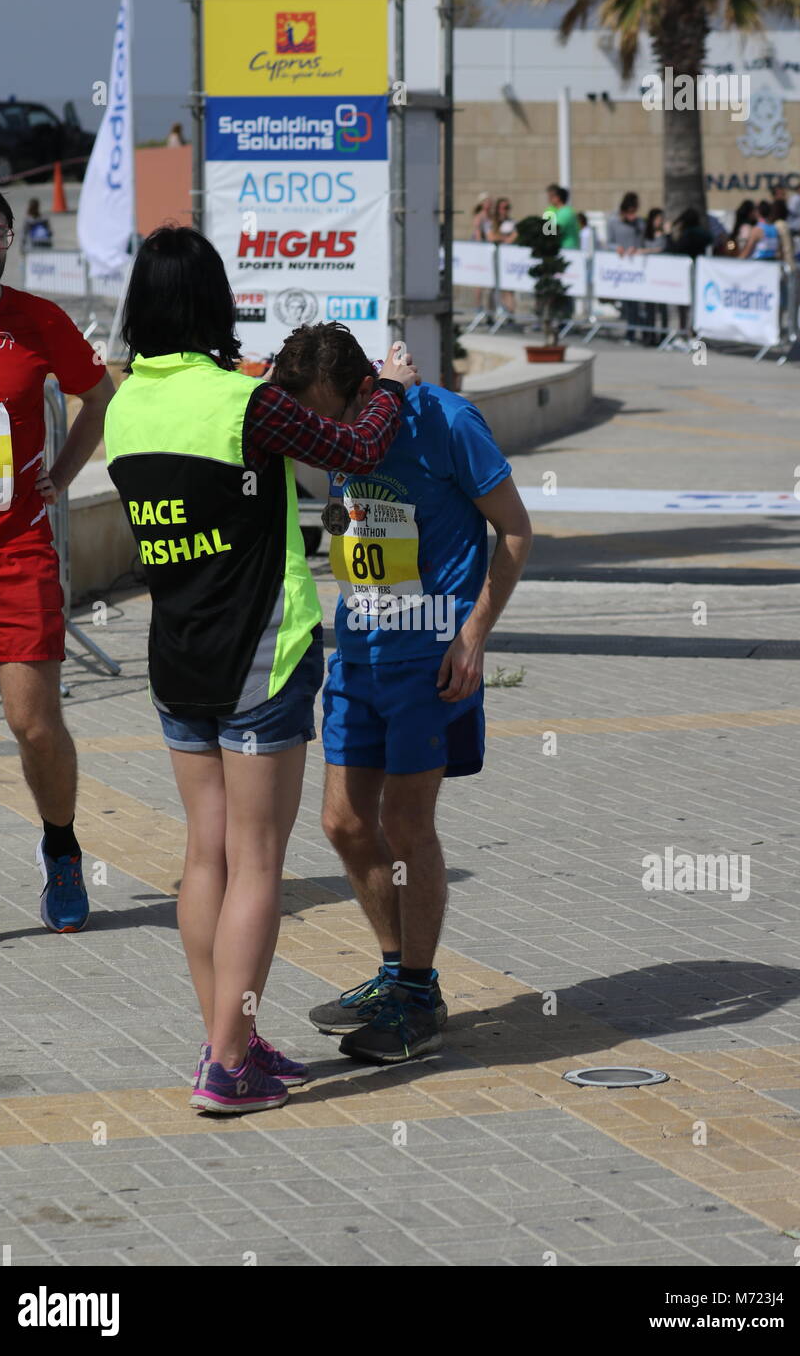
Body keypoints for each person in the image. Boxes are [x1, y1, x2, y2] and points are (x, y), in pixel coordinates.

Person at [103, 227, 419, 1113]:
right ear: (213, 303)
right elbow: (353, 450)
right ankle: (228, 1064)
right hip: (262, 651)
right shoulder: (242, 402)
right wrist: (389, 389)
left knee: (204, 856)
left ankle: (223, 1039)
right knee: (258, 863)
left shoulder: (126, 405)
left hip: (176, 655)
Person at [270, 324, 533, 1065]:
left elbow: (515, 529)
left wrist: (475, 635)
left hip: (431, 657)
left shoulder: (447, 420)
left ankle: (418, 993)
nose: (327, 438)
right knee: (345, 823)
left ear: (368, 390)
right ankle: (395, 972)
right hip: (358, 653)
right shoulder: (333, 422)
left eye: (334, 416)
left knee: (406, 823)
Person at [0, 176, 114, 946]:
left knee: (34, 725)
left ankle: (60, 844)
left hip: (17, 552)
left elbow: (101, 395)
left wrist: (63, 476)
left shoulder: (39, 320)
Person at [666, 208, 710, 347]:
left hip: (688, 271)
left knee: (685, 303)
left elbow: (677, 249)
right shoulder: (702, 233)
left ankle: (687, 332)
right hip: (699, 270)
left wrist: (669, 235)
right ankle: (691, 332)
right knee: (693, 303)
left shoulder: (689, 234)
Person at [606, 191, 644, 342]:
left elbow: (643, 241)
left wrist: (637, 249)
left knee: (634, 302)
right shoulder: (613, 221)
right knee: (626, 302)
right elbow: (608, 242)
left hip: (636, 266)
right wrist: (616, 247)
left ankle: (632, 331)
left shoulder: (639, 223)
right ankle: (631, 327)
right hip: (620, 268)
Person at [641, 207, 668, 346]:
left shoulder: (664, 235)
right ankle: (649, 335)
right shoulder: (645, 235)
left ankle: (663, 335)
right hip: (648, 276)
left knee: (663, 307)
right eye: (658, 219)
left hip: (661, 276)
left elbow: (662, 249)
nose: (660, 222)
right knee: (649, 307)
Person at [490, 196, 518, 321]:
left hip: (507, 259)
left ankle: (510, 315)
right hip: (494, 258)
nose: (505, 210)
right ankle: (490, 314)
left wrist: (503, 238)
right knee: (492, 287)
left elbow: (514, 236)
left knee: (508, 289)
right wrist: (503, 238)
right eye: (503, 208)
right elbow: (491, 237)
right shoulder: (493, 223)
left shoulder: (511, 223)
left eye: (508, 208)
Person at [471, 193, 494, 320]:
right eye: (486, 202)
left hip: (489, 249)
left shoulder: (491, 217)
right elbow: (478, 234)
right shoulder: (479, 217)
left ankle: (489, 309)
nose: (489, 204)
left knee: (489, 284)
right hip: (481, 251)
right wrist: (481, 249)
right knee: (479, 282)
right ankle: (478, 307)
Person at [543, 184, 580, 250]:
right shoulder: (562, 211)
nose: (549, 199)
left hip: (568, 250)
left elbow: (552, 231)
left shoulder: (565, 212)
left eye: (551, 196)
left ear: (558, 198)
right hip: (565, 249)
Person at [771, 198, 794, 266]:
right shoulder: (781, 225)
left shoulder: (777, 224)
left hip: (779, 262)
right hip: (780, 262)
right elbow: (787, 247)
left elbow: (786, 248)